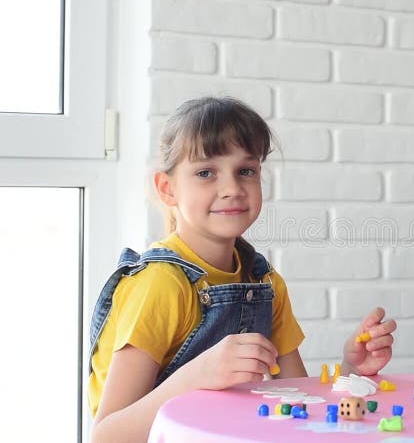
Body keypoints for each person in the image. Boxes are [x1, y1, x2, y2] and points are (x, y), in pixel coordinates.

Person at [88, 96, 397, 442]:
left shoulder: (265, 282)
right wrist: (195, 376)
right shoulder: (159, 285)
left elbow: (299, 403)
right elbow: (106, 436)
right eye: (206, 173)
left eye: (245, 171)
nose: (232, 189)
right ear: (167, 189)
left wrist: (352, 373)